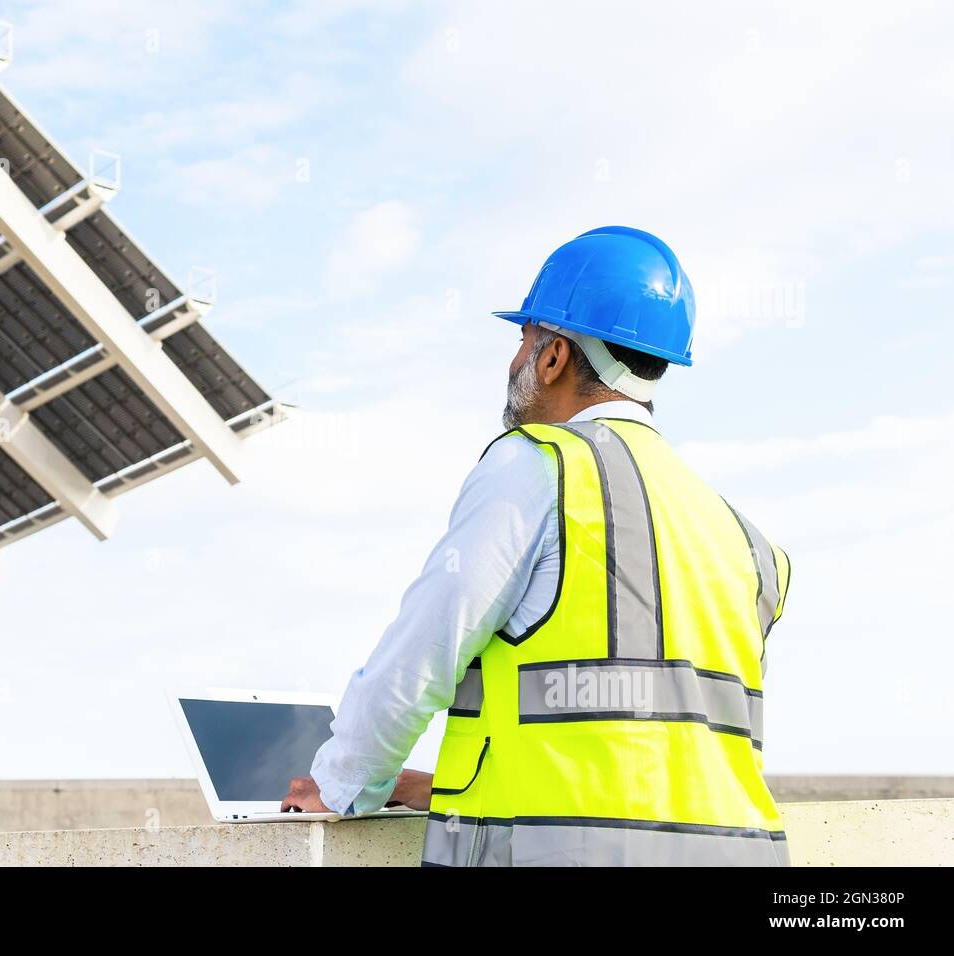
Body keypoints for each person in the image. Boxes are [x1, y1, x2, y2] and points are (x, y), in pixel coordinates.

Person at [280, 226, 791, 866]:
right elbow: (657, 744)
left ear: (552, 358)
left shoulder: (537, 466)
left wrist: (343, 785)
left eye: (524, 339)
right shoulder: (739, 533)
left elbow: (423, 652)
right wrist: (445, 790)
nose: (516, 360)